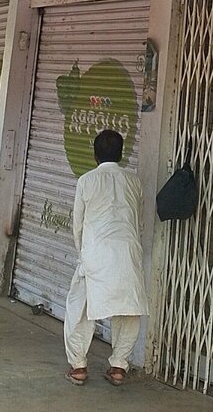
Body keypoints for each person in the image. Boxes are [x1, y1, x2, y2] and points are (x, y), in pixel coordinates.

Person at [64, 129, 148, 387]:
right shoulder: (134, 182)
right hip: (128, 252)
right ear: (121, 154)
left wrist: (83, 254)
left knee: (80, 309)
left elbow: (77, 225)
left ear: (95, 154)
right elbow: (138, 221)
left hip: (96, 253)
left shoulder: (86, 181)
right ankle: (118, 367)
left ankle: (78, 366)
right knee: (128, 310)